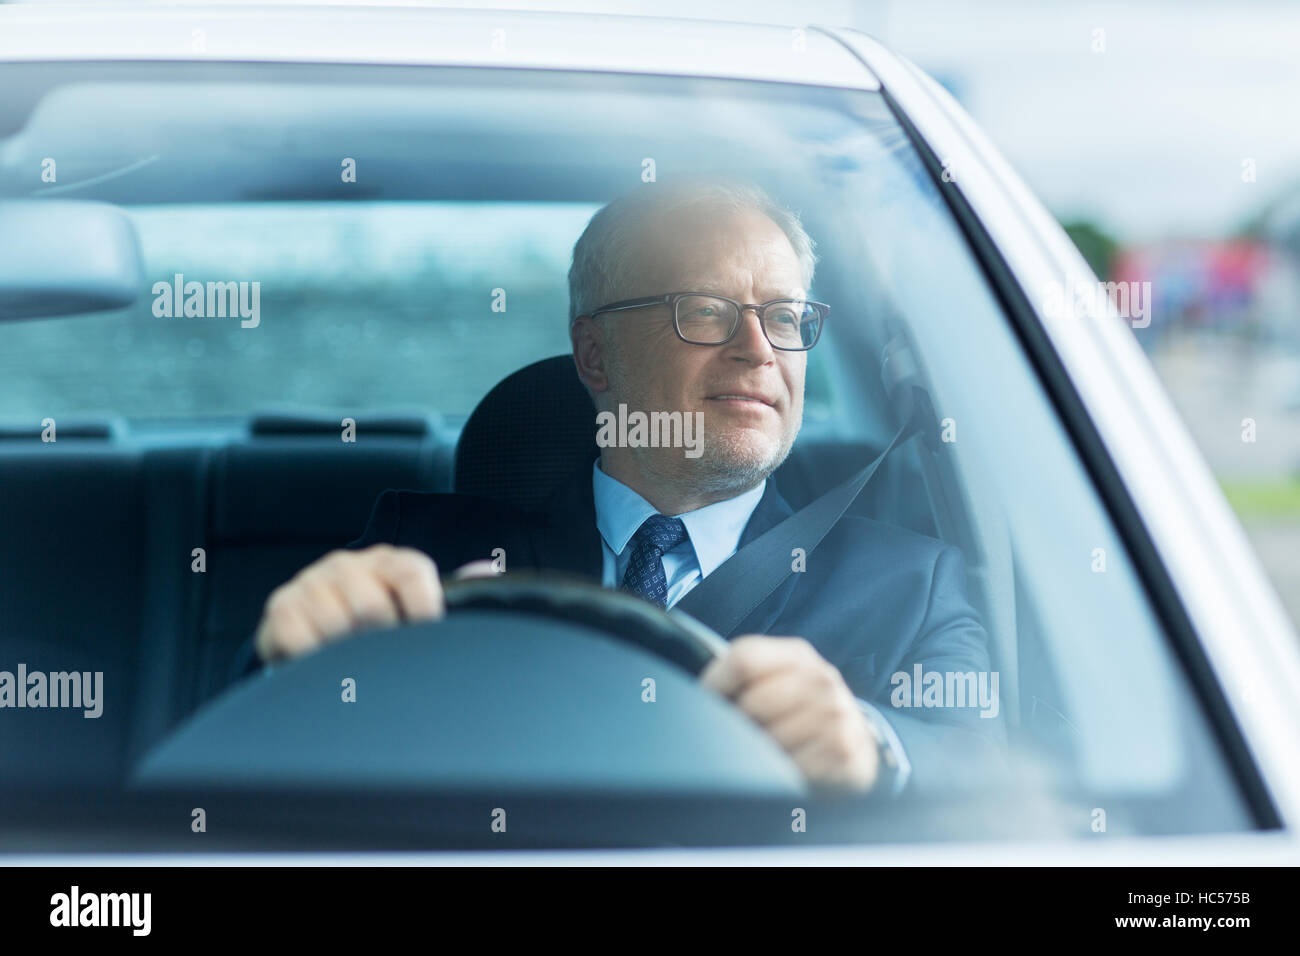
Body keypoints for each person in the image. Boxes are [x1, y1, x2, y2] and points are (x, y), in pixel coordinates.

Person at [238, 180, 1003, 794]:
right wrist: (293, 664)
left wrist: (875, 749)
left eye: (786, 316)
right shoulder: (420, 553)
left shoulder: (911, 585)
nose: (758, 349)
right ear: (596, 356)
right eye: (706, 312)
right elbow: (247, 749)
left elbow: (996, 783)